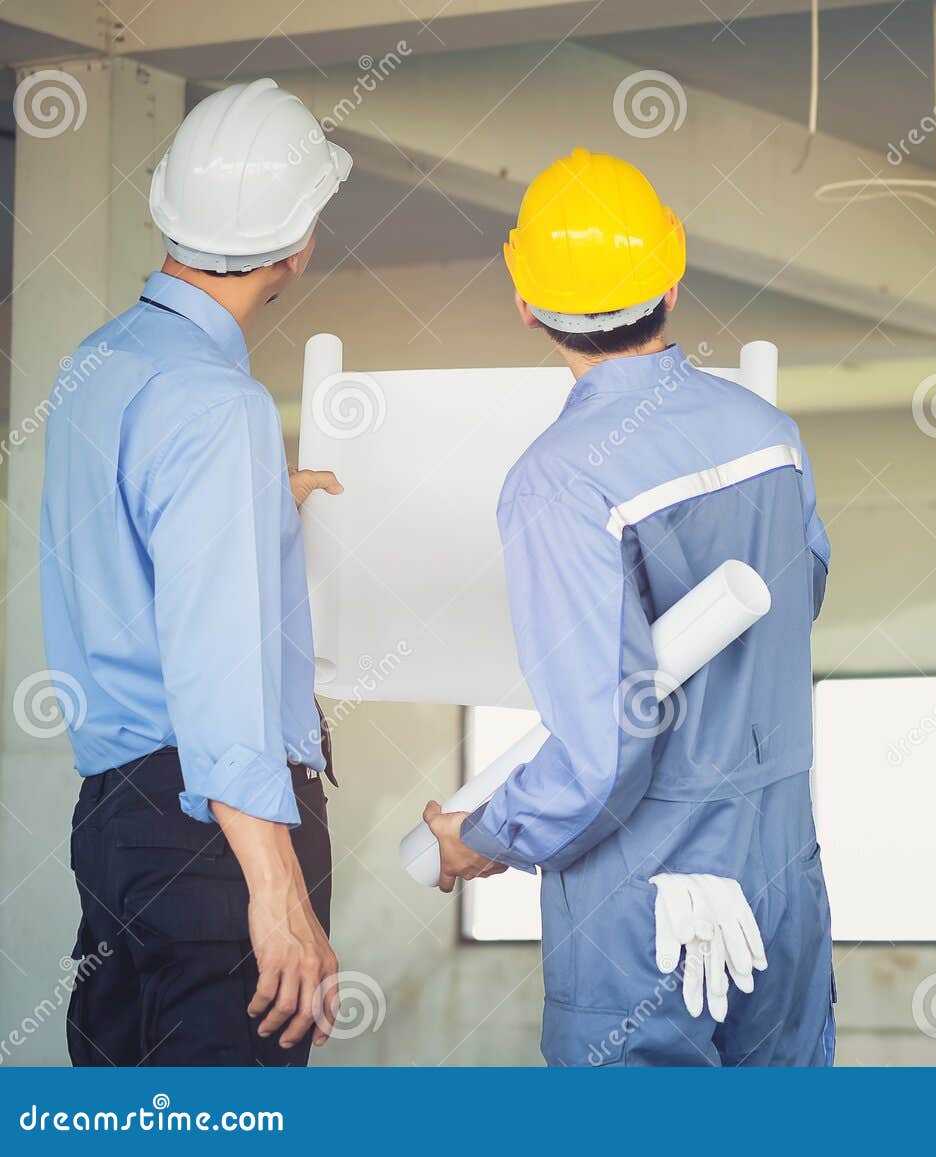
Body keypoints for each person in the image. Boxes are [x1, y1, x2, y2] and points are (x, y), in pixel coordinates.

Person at [423, 148, 835, 1066]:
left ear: (525, 303)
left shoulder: (558, 482)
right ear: (673, 276)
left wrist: (483, 835)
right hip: (780, 876)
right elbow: (798, 594)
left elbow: (603, 746)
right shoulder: (770, 436)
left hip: (649, 901)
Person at [40, 78, 351, 1066]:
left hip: (117, 825)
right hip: (215, 831)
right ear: (297, 246)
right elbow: (217, 666)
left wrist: (250, 503)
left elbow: (134, 552)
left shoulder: (98, 365)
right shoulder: (222, 405)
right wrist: (276, 883)